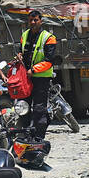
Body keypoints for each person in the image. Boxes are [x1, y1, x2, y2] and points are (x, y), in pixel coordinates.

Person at [17, 9, 60, 140]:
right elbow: (21, 50)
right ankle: (26, 134)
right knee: (23, 106)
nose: (33, 22)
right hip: (26, 78)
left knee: (39, 108)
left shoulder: (48, 38)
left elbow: (49, 61)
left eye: (36, 20)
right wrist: (18, 55)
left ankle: (39, 136)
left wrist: (34, 70)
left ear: (41, 21)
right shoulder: (24, 35)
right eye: (31, 20)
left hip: (41, 78)